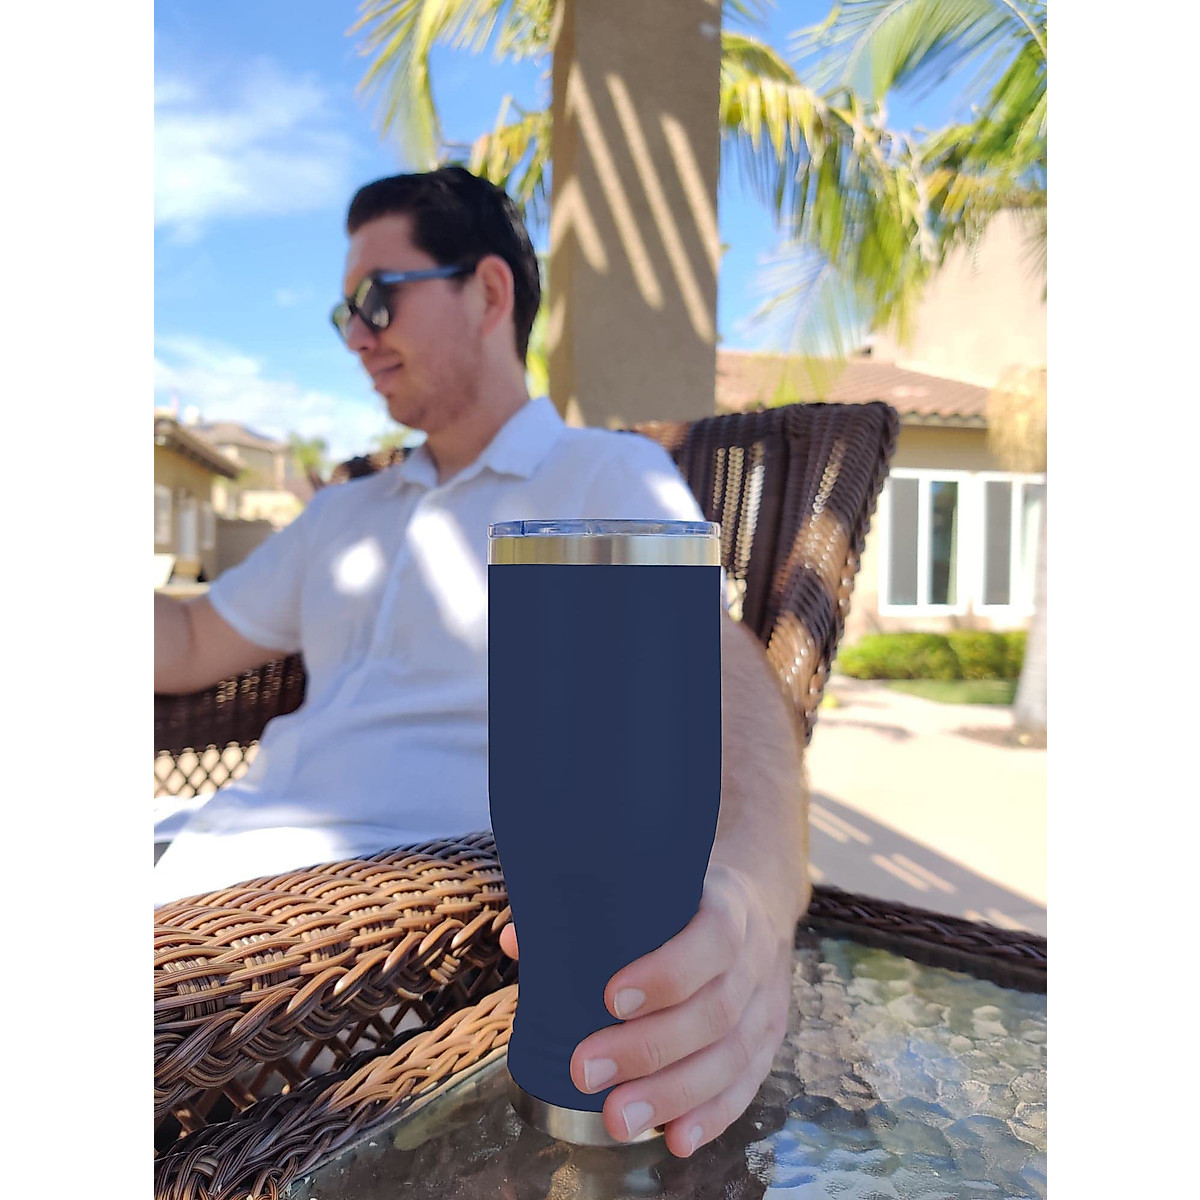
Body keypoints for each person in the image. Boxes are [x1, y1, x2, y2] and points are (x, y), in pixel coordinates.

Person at [154, 166, 809, 1159]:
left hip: (324, 953)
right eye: (343, 313)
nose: (357, 335)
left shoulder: (600, 476)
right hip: (186, 854)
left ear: (490, 291)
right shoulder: (345, 510)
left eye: (378, 299)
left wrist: (758, 888)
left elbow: (717, 666)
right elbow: (194, 640)